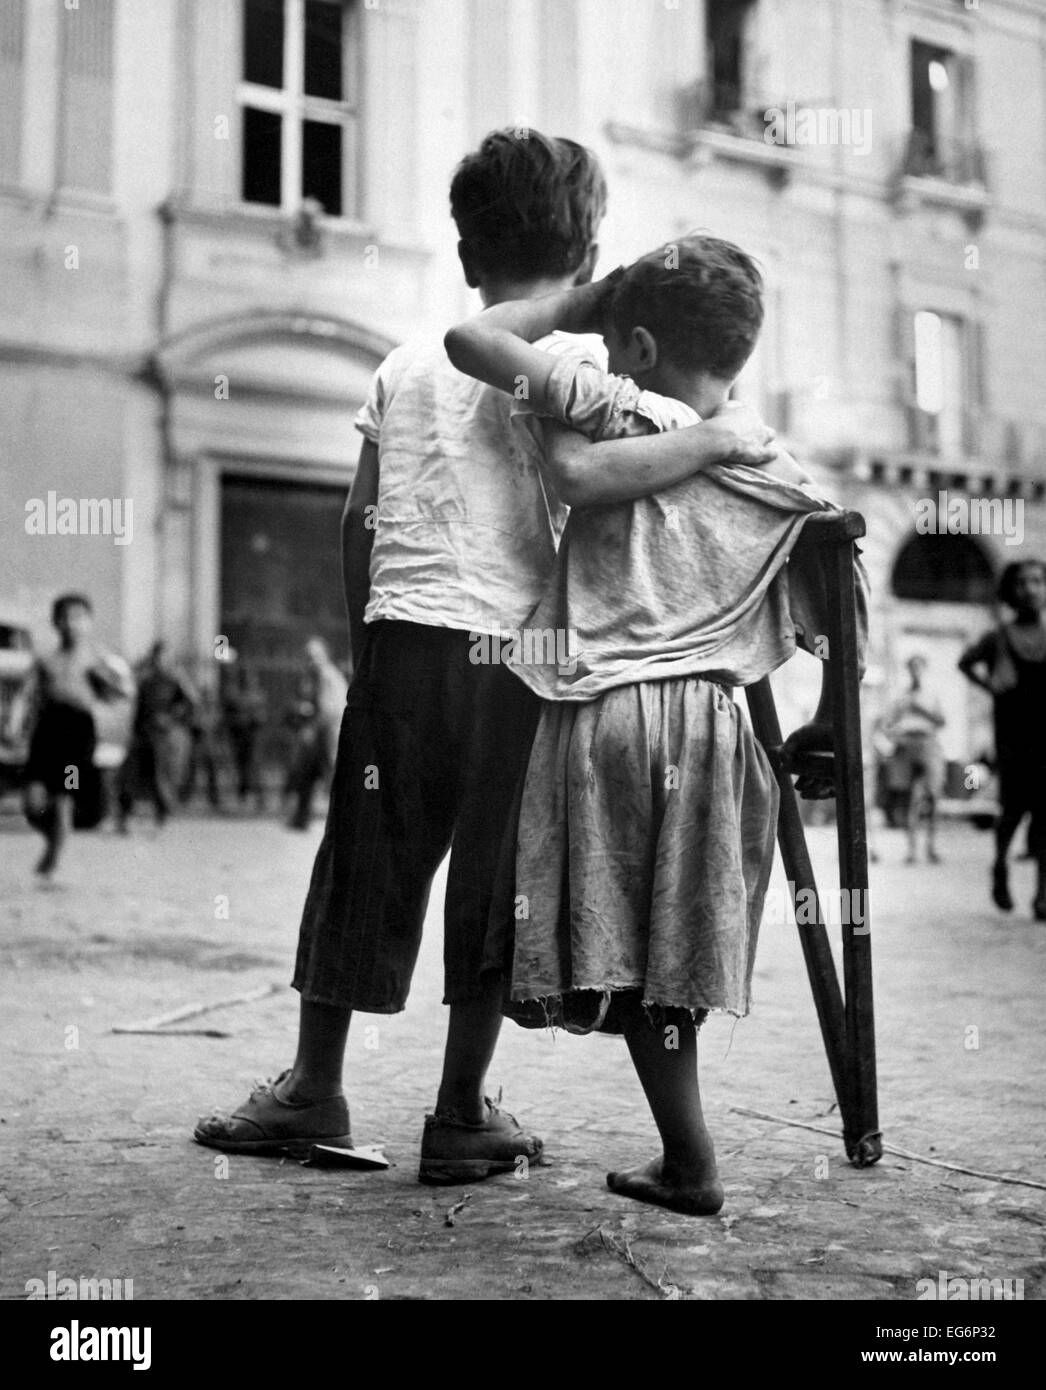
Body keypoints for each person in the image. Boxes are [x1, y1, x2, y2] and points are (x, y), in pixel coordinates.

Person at [194, 130, 777, 1180]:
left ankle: (313, 1086)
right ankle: (458, 1110)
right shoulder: (599, 362)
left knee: (363, 867)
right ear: (590, 245)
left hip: (403, 646)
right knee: (495, 886)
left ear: (466, 251)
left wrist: (369, 639)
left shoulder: (407, 360)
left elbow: (359, 518)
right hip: (521, 663)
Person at [446, 234, 856, 1216]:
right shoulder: (775, 469)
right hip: (717, 733)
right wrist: (828, 731)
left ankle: (690, 1159)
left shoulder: (612, 403)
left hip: (606, 717)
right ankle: (686, 1156)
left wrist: (579, 303)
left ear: (631, 341)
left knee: (622, 951)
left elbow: (471, 337)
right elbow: (838, 611)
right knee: (675, 953)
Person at [959, 559, 1046, 919]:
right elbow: (965, 662)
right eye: (1023, 582)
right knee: (1012, 811)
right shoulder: (998, 638)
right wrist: (990, 686)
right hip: (1013, 738)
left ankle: (1042, 894)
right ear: (1011, 591)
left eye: (1038, 581)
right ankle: (999, 866)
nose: (1031, 588)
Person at [23, 593, 133, 877]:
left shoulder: (99, 659)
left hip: (78, 732)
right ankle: (53, 836)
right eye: (65, 618)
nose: (72, 624)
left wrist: (106, 684)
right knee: (33, 803)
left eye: (78, 618)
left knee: (64, 794)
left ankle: (54, 854)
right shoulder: (46, 660)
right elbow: (28, 697)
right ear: (55, 622)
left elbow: (122, 696)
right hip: (47, 731)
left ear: (89, 623)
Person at [117, 641, 194, 830]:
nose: (160, 661)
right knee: (130, 777)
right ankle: (124, 818)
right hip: (144, 734)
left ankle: (161, 817)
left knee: (161, 778)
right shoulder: (146, 681)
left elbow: (190, 704)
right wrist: (134, 733)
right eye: (157, 656)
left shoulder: (176, 680)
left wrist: (171, 718)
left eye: (164, 657)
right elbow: (139, 708)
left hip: (164, 737)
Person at [879, 655, 946, 865]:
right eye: (912, 668)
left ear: (924, 670)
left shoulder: (931, 694)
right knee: (908, 798)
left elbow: (942, 721)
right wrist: (896, 736)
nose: (915, 671)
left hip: (927, 743)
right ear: (908, 670)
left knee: (933, 796)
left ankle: (931, 847)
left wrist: (921, 710)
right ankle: (911, 850)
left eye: (919, 667)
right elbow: (887, 724)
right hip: (906, 745)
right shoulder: (901, 697)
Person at [285, 637, 348, 831]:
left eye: (314, 655)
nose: (310, 659)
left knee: (330, 777)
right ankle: (301, 818)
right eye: (308, 655)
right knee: (308, 776)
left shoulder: (328, 676)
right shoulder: (312, 676)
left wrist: (312, 723)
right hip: (318, 732)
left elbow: (330, 708)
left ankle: (341, 821)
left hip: (327, 733)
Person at [224, 662, 268, 810]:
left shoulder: (258, 695)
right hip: (239, 735)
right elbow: (228, 716)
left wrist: (253, 718)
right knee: (241, 766)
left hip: (253, 735)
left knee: (254, 766)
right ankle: (243, 796)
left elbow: (262, 716)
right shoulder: (234, 694)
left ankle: (260, 798)